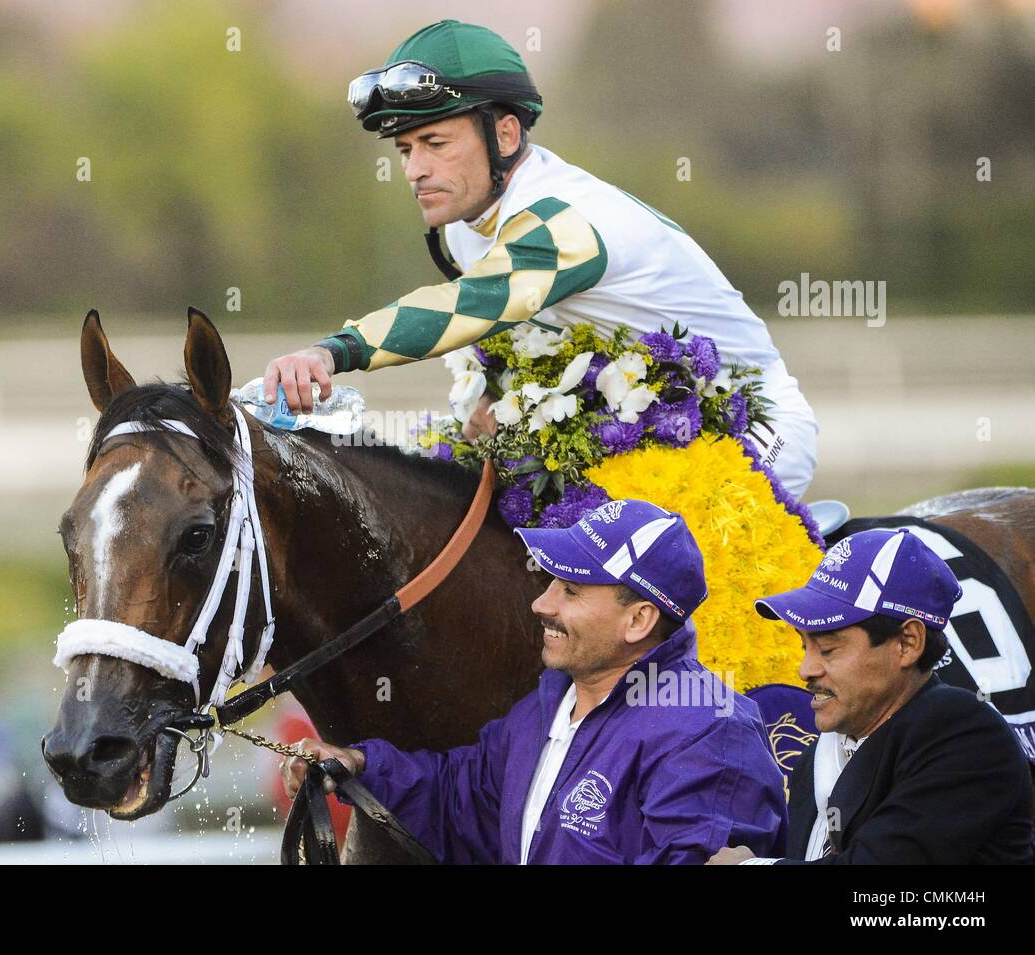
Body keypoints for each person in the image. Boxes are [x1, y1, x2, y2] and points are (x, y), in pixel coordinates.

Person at [263, 19, 818, 497]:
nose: (414, 170)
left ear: (505, 134)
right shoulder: (466, 224)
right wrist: (493, 393)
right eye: (405, 150)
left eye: (436, 143)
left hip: (749, 425)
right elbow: (524, 334)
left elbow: (474, 305)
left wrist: (336, 351)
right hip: (642, 427)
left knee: (629, 587)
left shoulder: (567, 220)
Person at [281, 499, 787, 863]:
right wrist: (359, 765)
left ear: (639, 620)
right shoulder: (547, 706)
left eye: (570, 590)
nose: (541, 604)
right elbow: (464, 799)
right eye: (550, 584)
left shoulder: (710, 733)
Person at [709, 529, 1034, 864]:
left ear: (908, 643)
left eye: (829, 649)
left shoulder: (968, 739)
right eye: (804, 646)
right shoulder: (815, 758)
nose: (805, 669)